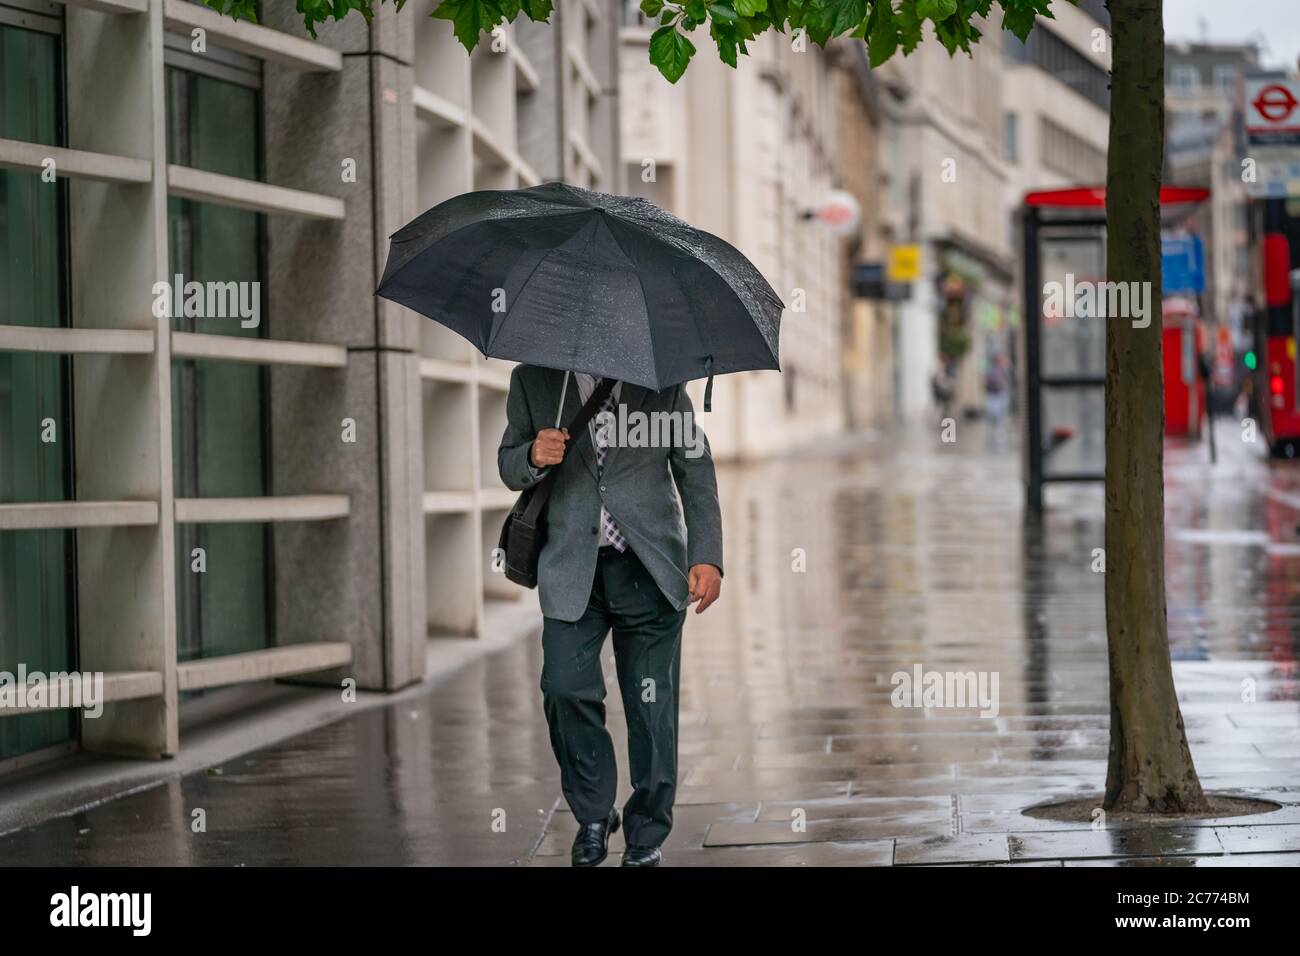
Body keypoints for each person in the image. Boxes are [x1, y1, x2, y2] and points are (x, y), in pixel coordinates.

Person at [498, 366, 724, 867]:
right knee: (563, 688)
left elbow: (695, 466)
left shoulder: (664, 384)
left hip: (648, 566)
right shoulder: (534, 381)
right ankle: (594, 815)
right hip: (570, 568)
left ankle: (646, 833)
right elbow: (507, 462)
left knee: (650, 706)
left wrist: (706, 554)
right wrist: (533, 455)